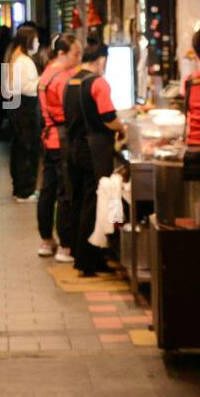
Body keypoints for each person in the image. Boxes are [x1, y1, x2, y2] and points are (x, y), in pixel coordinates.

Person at [63, 41, 127, 277]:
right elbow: (109, 116)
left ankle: (80, 257)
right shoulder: (98, 83)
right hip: (94, 151)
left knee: (79, 201)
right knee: (96, 203)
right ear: (100, 60)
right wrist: (122, 129)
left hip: (73, 149)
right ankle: (91, 260)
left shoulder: (71, 81)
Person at [36, 34, 81, 260]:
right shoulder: (62, 79)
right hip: (62, 138)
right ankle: (65, 245)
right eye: (75, 54)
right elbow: (72, 110)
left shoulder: (46, 74)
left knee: (47, 190)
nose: (78, 59)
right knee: (65, 191)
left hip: (48, 137)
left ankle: (46, 240)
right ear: (62, 53)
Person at [7, 26, 41, 201]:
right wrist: (41, 82)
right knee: (26, 149)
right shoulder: (23, 61)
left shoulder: (17, 57)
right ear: (28, 40)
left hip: (18, 107)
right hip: (25, 108)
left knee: (20, 148)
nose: (38, 43)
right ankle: (24, 190)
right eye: (36, 40)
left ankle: (21, 188)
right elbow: (26, 87)